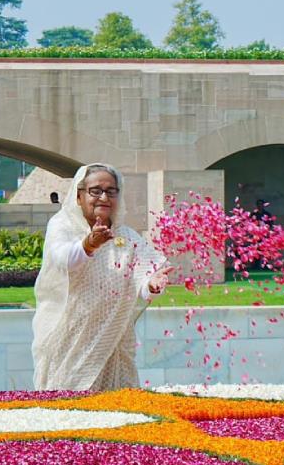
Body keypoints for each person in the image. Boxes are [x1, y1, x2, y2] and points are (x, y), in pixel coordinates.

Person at [31, 163, 176, 391]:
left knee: (118, 410)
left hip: (113, 341)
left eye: (111, 191)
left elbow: (145, 275)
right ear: (79, 196)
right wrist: (89, 244)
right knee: (68, 408)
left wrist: (153, 284)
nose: (104, 197)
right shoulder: (62, 226)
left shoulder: (126, 236)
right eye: (95, 191)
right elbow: (62, 261)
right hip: (72, 340)